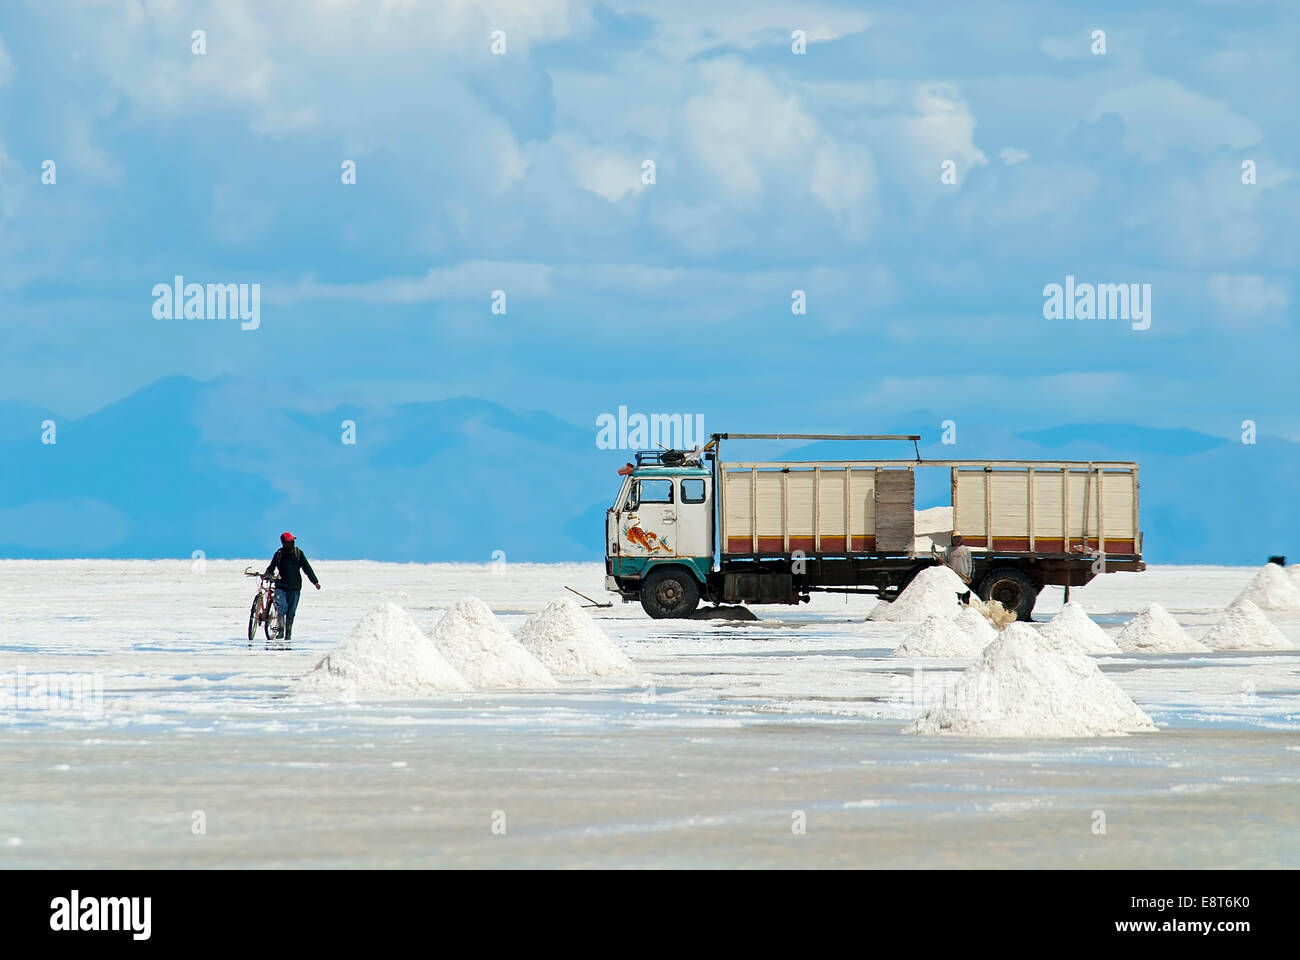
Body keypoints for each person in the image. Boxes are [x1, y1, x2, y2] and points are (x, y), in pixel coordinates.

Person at [263, 532, 321, 642]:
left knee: (291, 611)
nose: (292, 543)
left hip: (295, 587)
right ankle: (281, 631)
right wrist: (267, 575)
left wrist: (315, 582)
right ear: (284, 543)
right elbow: (271, 567)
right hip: (281, 586)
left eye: (293, 541)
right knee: (281, 607)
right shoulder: (279, 554)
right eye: (289, 541)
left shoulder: (298, 553)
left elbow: (307, 569)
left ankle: (288, 633)